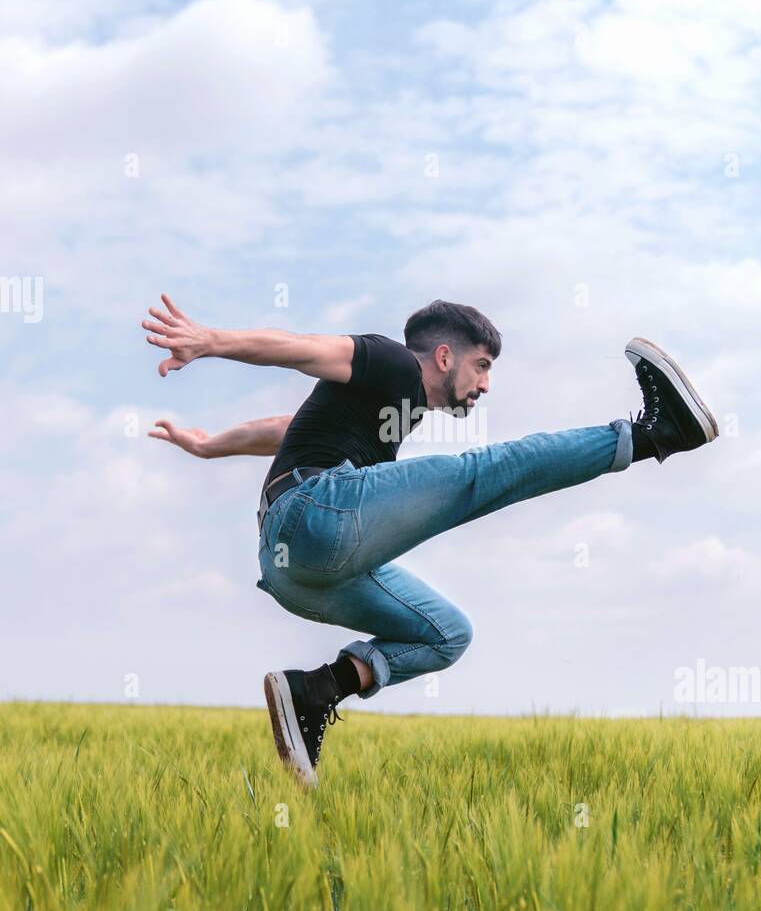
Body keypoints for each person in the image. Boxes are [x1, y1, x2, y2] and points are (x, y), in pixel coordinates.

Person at [143, 295, 717, 787]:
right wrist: (209, 340)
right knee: (488, 471)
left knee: (446, 634)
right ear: (445, 356)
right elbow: (301, 347)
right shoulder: (390, 362)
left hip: (299, 575)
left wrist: (208, 445)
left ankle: (315, 690)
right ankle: (654, 434)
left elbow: (284, 428)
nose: (485, 385)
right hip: (313, 515)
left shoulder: (392, 408)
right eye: (482, 366)